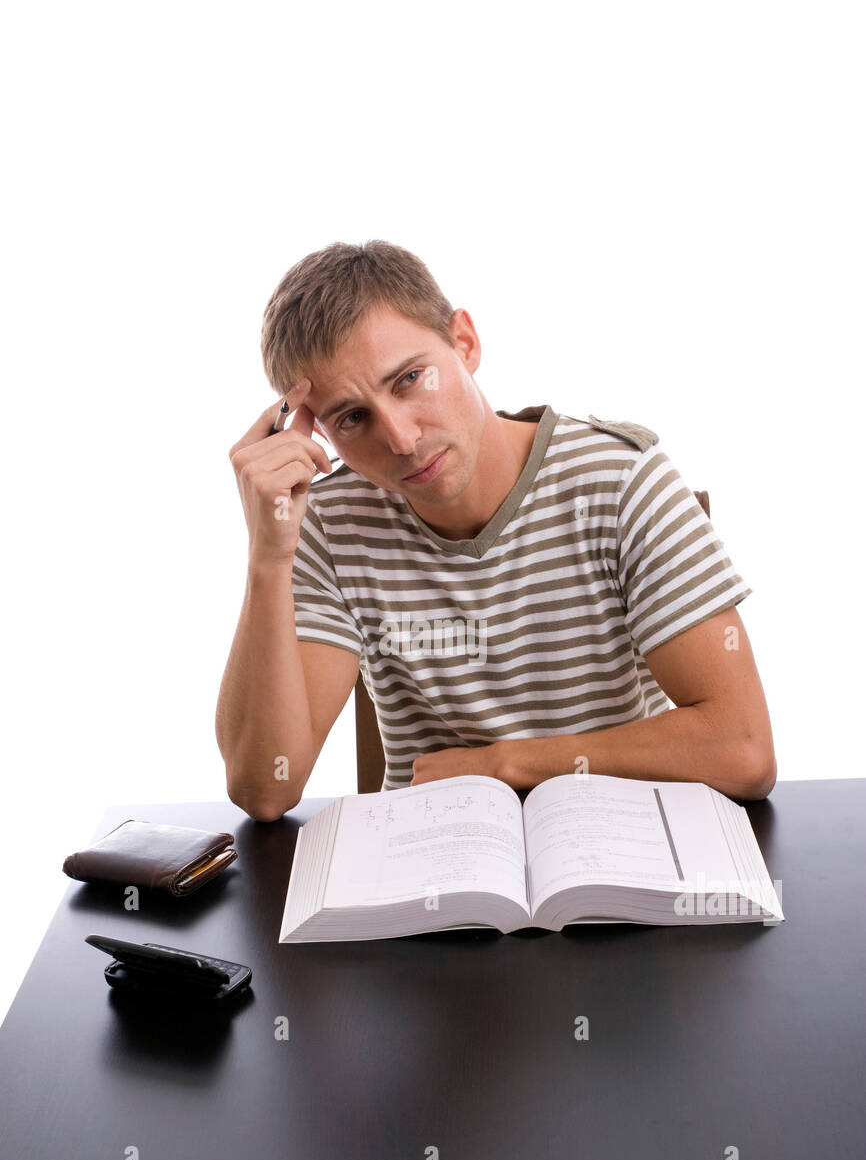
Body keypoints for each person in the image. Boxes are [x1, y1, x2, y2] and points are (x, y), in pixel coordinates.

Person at [216, 239, 776, 821]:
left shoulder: (621, 480)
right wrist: (267, 556)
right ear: (318, 432)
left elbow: (743, 749)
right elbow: (265, 790)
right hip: (435, 863)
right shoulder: (330, 525)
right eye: (352, 418)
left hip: (618, 854)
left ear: (464, 341)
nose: (401, 440)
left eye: (409, 379)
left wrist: (506, 763)